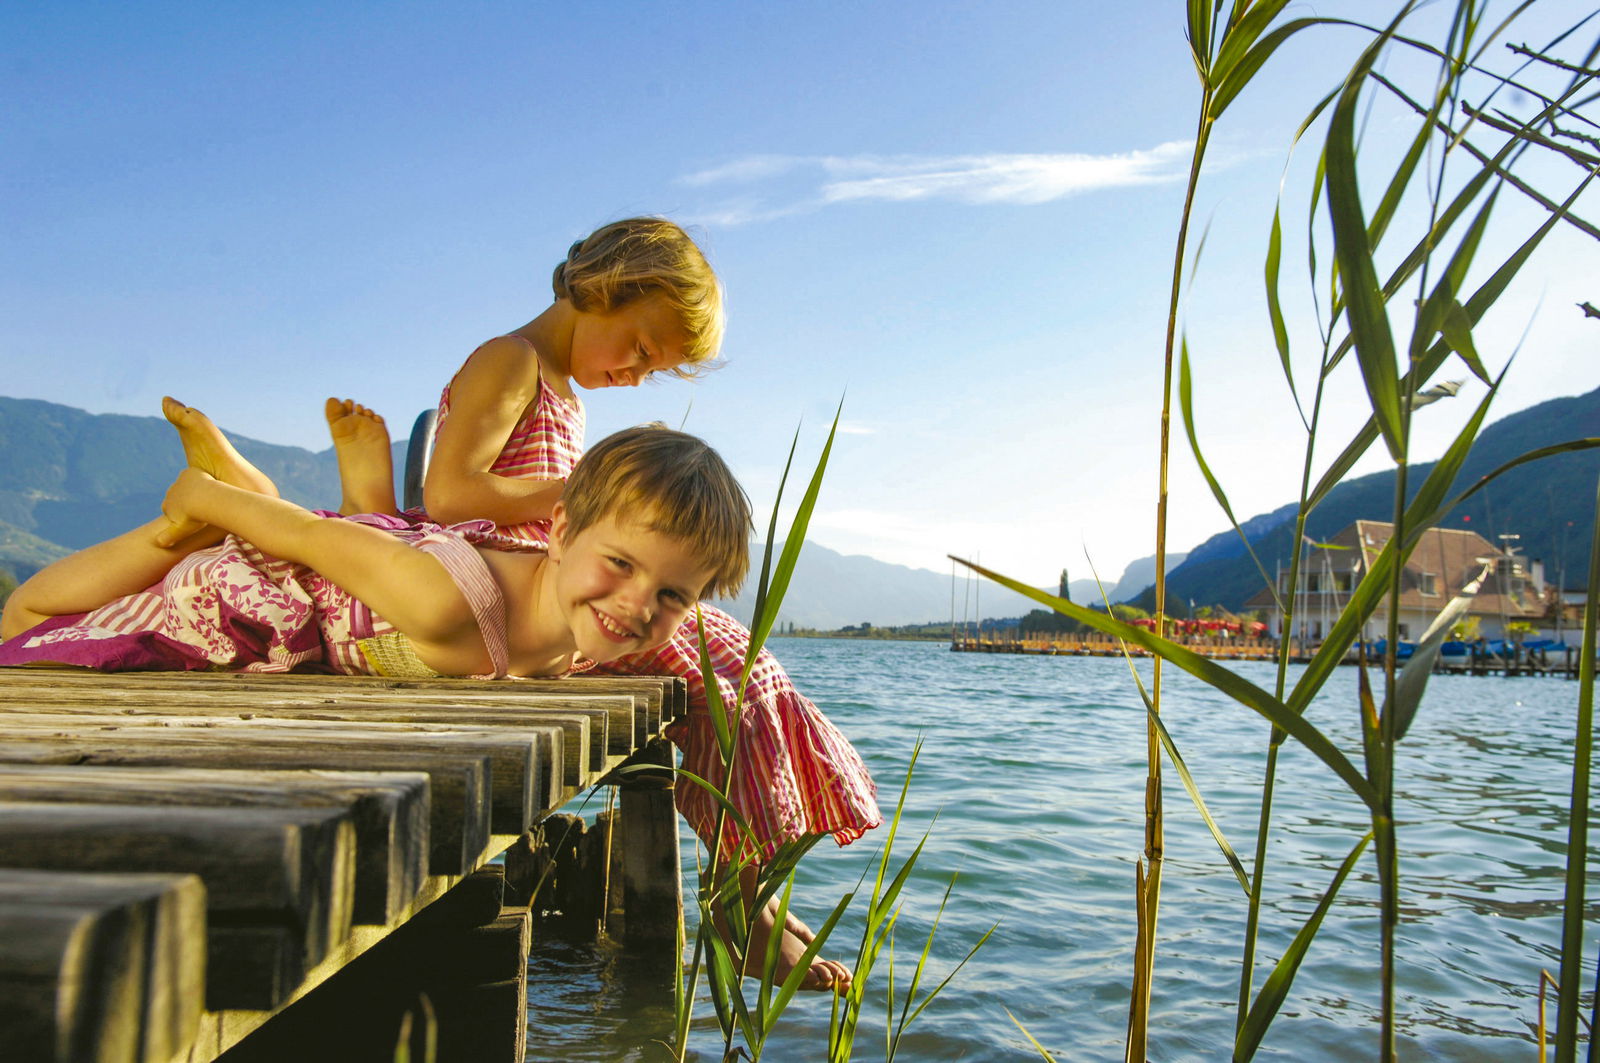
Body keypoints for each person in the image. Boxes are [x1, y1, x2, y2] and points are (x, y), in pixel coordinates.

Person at [324, 217, 879, 991]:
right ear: (604, 287)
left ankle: (744, 882)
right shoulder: (511, 360)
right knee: (726, 665)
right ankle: (737, 901)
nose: (637, 374)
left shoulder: (564, 391)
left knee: (736, 663)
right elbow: (449, 495)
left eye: (655, 370)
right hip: (521, 595)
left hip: (561, 598)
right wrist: (604, 496)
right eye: (643, 349)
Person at [0, 400, 749, 687]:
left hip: (356, 576)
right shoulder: (448, 605)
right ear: (557, 531)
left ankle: (260, 493)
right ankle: (215, 497)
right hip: (253, 593)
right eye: (620, 564)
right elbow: (304, 538)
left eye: (671, 594)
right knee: (22, 619)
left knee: (339, 534)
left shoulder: (588, 630)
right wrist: (210, 508)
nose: (635, 603)